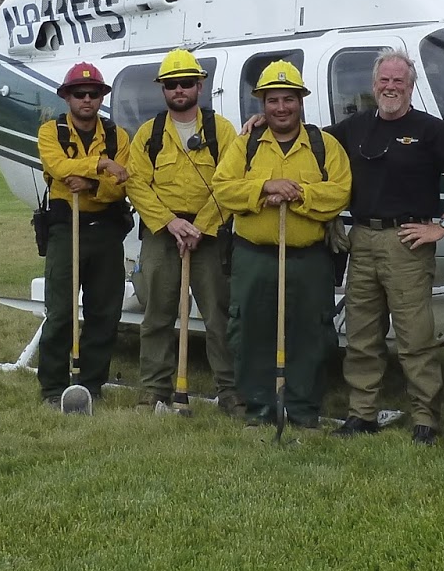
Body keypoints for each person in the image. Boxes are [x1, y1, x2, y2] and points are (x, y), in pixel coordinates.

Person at [327, 49, 444, 445]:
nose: (391, 87)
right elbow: (311, 146)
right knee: (362, 334)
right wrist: (259, 123)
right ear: (374, 84)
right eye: (385, 80)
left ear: (411, 86)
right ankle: (361, 414)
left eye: (399, 81)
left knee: (415, 337)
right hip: (361, 239)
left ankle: (425, 419)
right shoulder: (353, 128)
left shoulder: (430, 130)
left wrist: (443, 225)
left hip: (407, 242)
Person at [211, 60, 350, 429]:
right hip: (254, 257)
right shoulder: (247, 144)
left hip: (309, 259)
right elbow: (223, 187)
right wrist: (264, 188)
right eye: (273, 100)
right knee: (251, 330)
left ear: (301, 101)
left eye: (289, 99)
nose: (281, 107)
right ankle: (259, 408)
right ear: (262, 103)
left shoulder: (324, 145)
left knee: (311, 332)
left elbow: (340, 192)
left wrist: (298, 194)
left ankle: (304, 409)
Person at [124, 49, 241, 416]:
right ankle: (154, 390)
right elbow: (137, 184)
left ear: (199, 86)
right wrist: (171, 223)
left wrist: (200, 227)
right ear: (163, 90)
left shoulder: (221, 130)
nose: (179, 90)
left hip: (208, 235)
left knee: (218, 315)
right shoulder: (149, 133)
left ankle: (230, 392)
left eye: (186, 83)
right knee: (157, 314)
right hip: (162, 232)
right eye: (171, 85)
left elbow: (231, 181)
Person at [35, 62, 132, 407]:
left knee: (104, 312)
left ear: (101, 98)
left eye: (93, 94)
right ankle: (52, 387)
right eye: (79, 94)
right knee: (60, 311)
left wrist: (91, 184)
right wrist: (101, 166)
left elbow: (121, 187)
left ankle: (91, 384)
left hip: (106, 229)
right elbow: (58, 167)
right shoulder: (51, 132)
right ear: (67, 97)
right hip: (65, 228)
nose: (87, 100)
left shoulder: (118, 136)